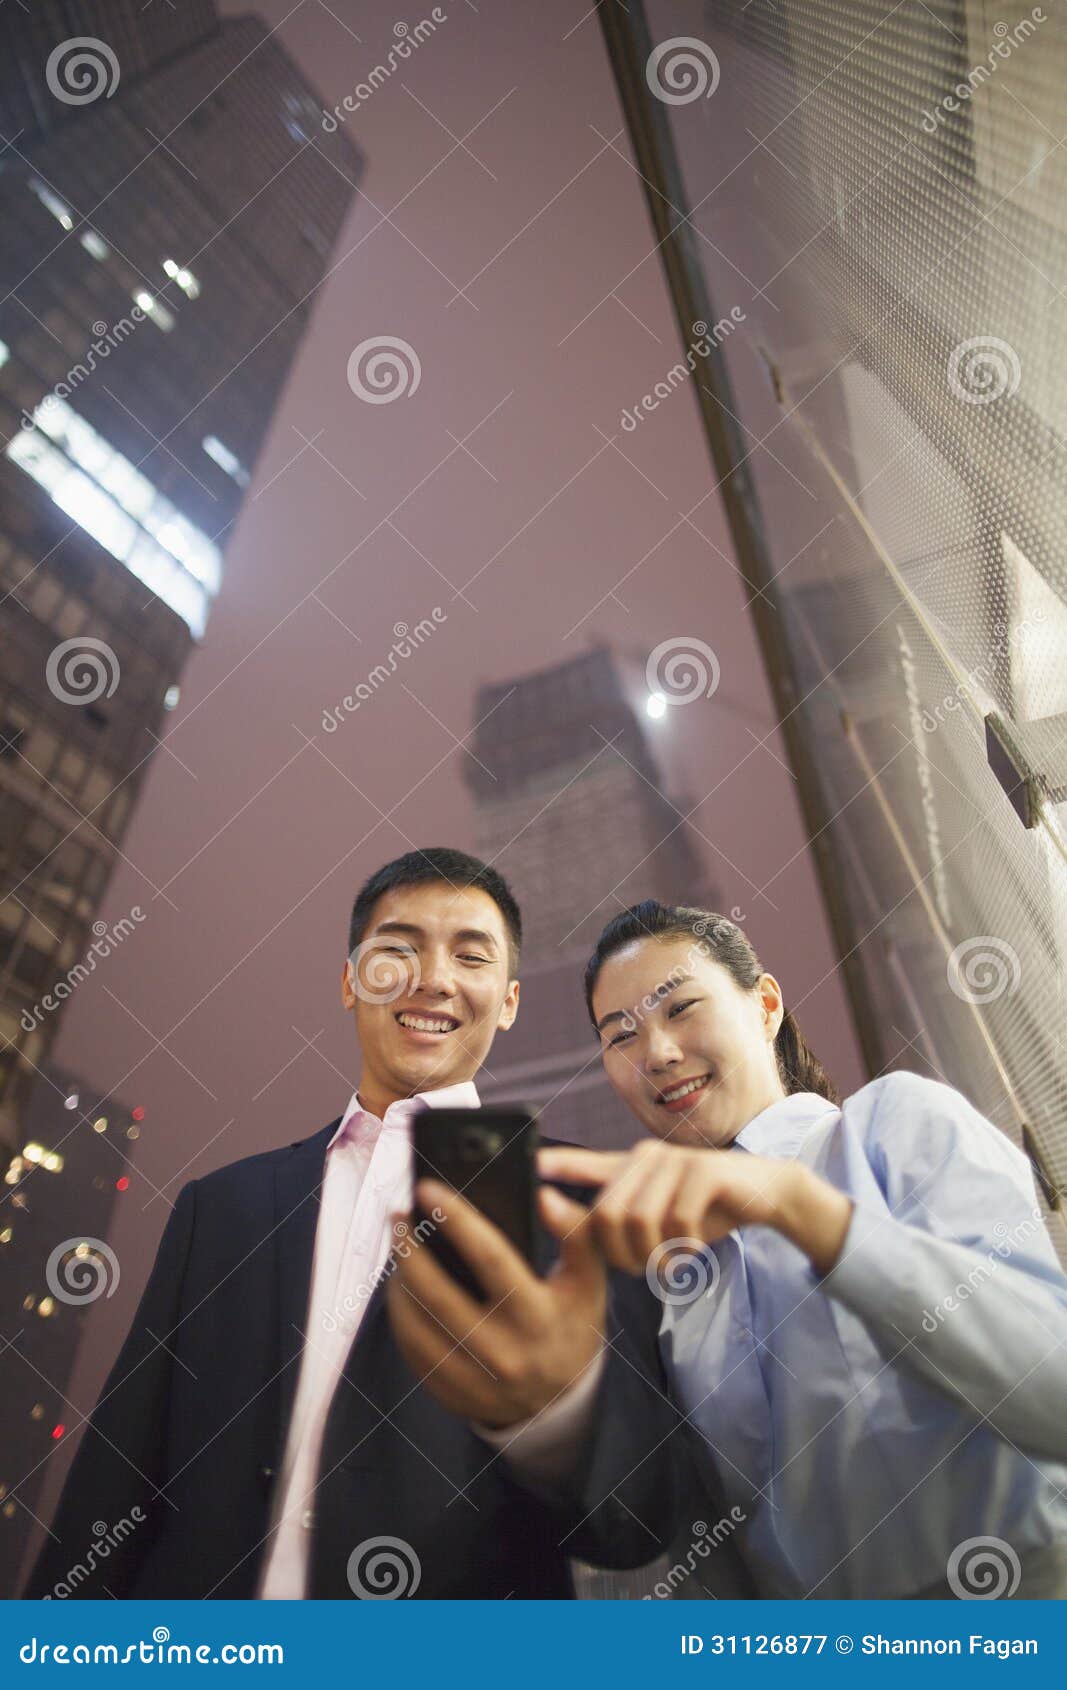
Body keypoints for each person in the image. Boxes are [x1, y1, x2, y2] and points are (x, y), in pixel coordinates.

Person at [23, 853, 691, 1600]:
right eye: (397, 949)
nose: (431, 979)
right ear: (349, 982)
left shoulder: (582, 1201)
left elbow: (630, 1523)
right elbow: (113, 1483)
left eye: (469, 956)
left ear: (506, 1002)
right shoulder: (224, 1208)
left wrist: (554, 1410)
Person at [394, 900, 1067, 1600]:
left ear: (765, 1005)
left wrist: (802, 1210)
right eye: (619, 1035)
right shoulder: (656, 1271)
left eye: (680, 1008)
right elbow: (681, 1545)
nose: (654, 1053)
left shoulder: (890, 1124)